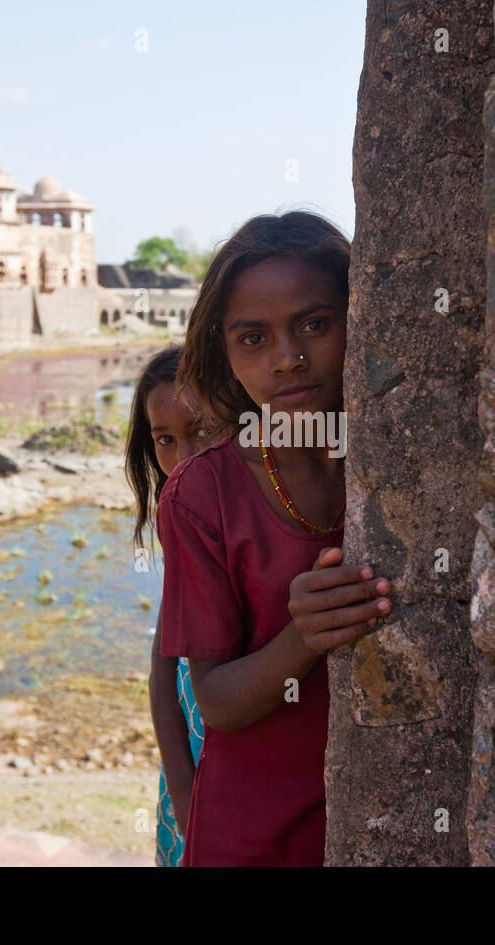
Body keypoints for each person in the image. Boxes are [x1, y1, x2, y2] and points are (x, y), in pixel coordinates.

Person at [158, 211, 393, 866]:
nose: (287, 359)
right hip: (253, 830)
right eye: (253, 339)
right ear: (225, 355)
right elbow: (216, 701)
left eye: (315, 325)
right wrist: (304, 636)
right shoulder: (202, 495)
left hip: (384, 811)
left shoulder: (401, 460)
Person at [124, 345, 211, 866]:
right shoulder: (181, 517)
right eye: (165, 440)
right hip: (190, 753)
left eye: (202, 430)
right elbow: (163, 665)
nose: (183, 457)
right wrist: (181, 789)